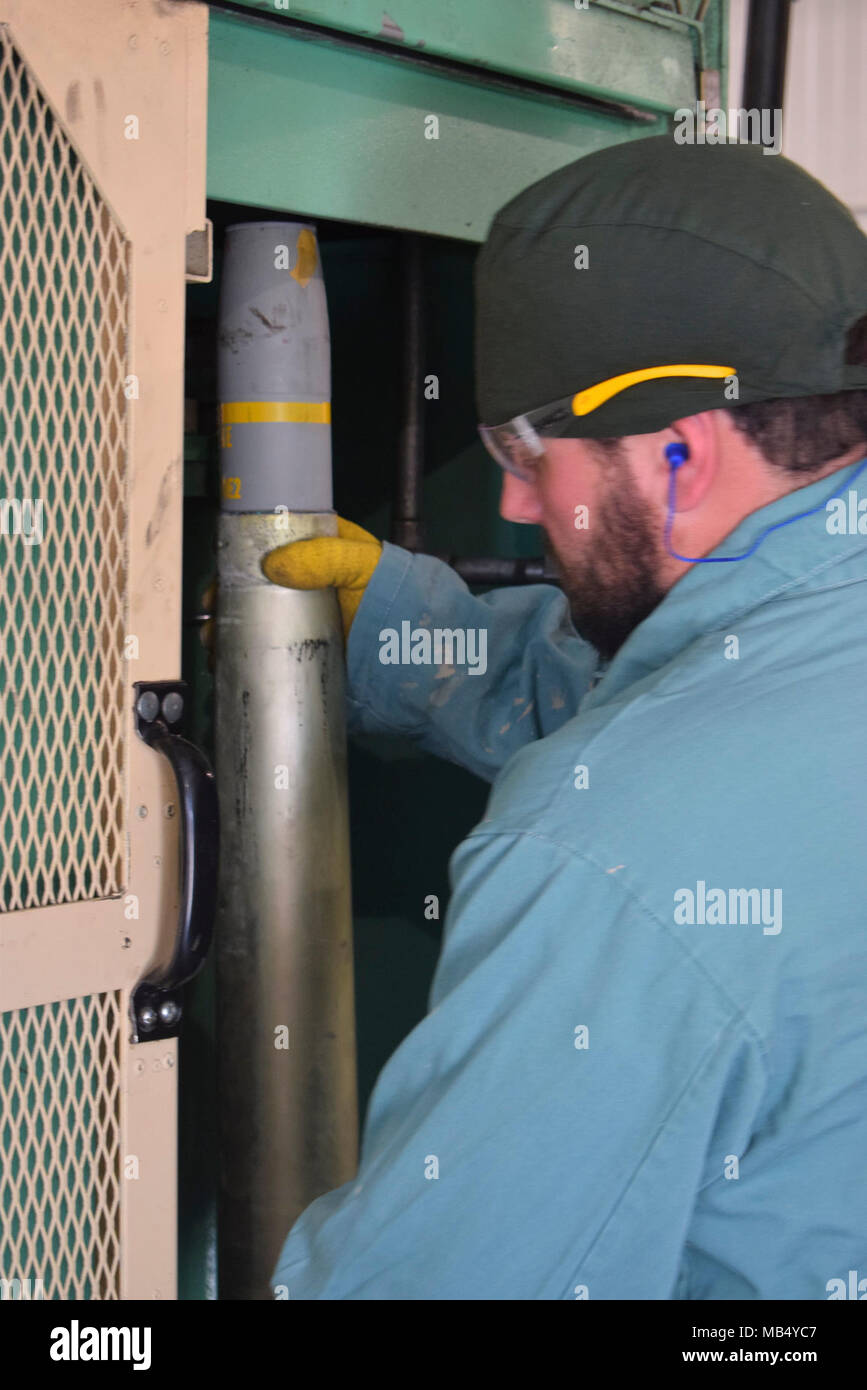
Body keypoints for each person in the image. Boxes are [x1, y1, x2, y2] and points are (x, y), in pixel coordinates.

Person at [263, 136, 867, 1299]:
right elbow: (699, 689)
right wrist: (399, 618)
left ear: (679, 449)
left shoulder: (610, 856)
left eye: (529, 450)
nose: (510, 498)